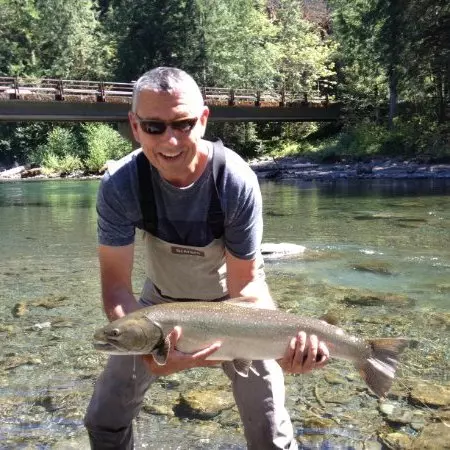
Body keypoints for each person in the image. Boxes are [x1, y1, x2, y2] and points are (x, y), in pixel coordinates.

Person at [84, 67, 329, 450]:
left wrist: (282, 345)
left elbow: (246, 285)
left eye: (182, 124)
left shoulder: (234, 179)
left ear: (202, 119)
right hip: (156, 308)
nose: (170, 140)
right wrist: (150, 348)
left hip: (231, 307)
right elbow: (116, 287)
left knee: (271, 434)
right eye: (154, 126)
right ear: (134, 126)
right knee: (104, 419)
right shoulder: (121, 184)